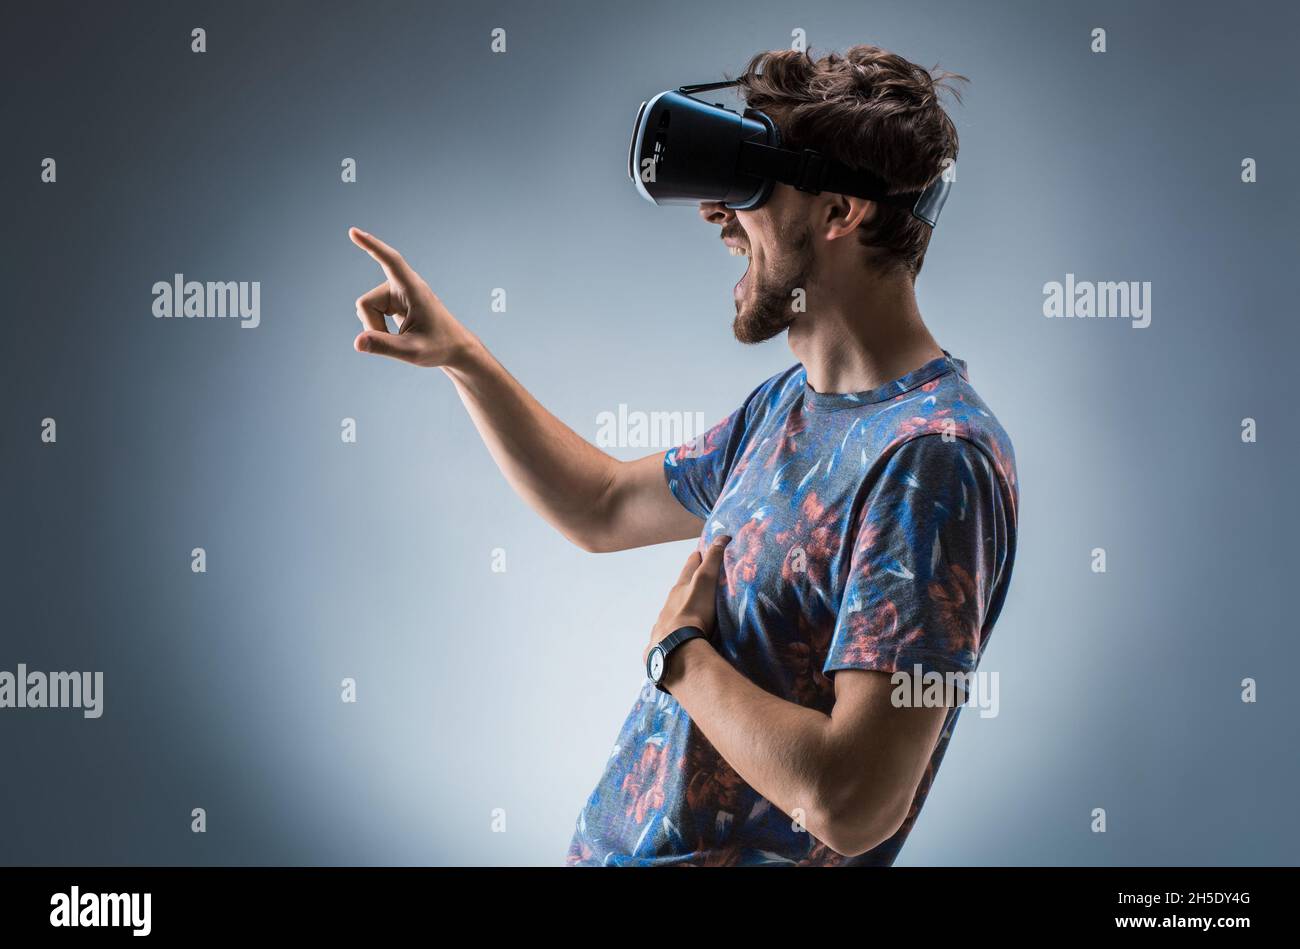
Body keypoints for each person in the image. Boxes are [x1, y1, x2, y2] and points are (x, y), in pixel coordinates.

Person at [345, 45, 1018, 866]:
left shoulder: (932, 457)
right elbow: (601, 505)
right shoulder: (788, 406)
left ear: (842, 212)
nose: (717, 217)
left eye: (750, 189)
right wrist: (463, 357)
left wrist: (680, 657)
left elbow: (853, 803)